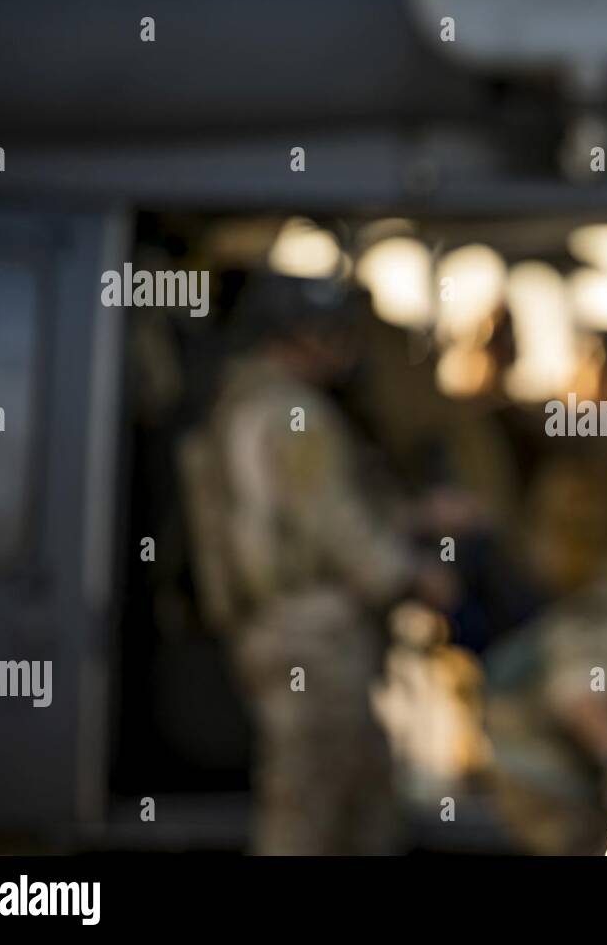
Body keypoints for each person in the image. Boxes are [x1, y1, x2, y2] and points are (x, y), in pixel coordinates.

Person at [179, 271, 449, 854]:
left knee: (357, 795)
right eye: (332, 333)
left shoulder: (248, 400)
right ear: (297, 335)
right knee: (311, 804)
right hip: (309, 634)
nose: (346, 349)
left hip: (291, 628)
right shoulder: (289, 411)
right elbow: (333, 524)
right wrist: (411, 576)